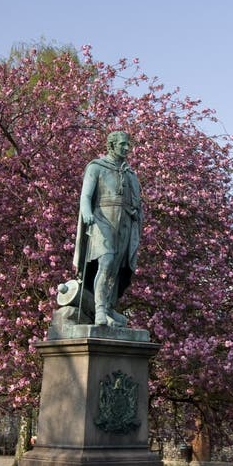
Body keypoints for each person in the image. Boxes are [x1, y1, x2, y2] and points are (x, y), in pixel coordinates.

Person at [73, 131, 142, 327]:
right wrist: (86, 213)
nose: (126, 148)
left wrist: (136, 211)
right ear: (111, 145)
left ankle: (109, 307)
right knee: (106, 260)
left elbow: (135, 200)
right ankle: (100, 310)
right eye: (122, 144)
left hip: (125, 222)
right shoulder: (96, 167)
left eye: (128, 144)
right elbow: (86, 196)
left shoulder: (129, 173)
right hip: (102, 219)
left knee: (118, 268)